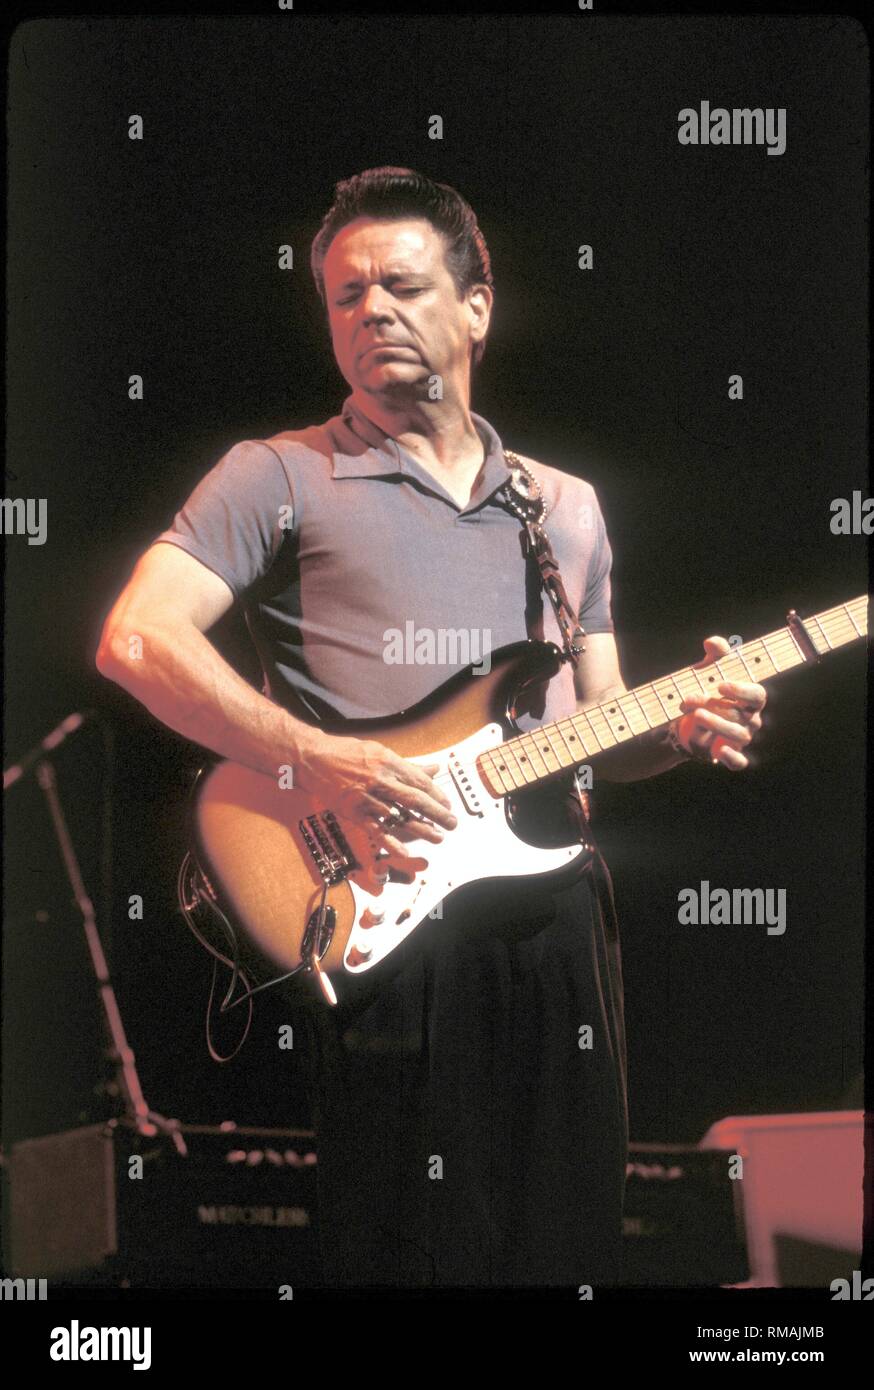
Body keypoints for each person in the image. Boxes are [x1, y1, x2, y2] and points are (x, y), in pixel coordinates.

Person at [96, 166, 767, 1290]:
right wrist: (312, 752)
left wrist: (679, 725)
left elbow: (596, 731)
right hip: (391, 911)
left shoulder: (563, 506)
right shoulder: (275, 475)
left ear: (476, 305)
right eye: (345, 295)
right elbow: (137, 639)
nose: (370, 312)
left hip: (555, 921)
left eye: (400, 285)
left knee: (565, 1243)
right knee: (411, 1251)